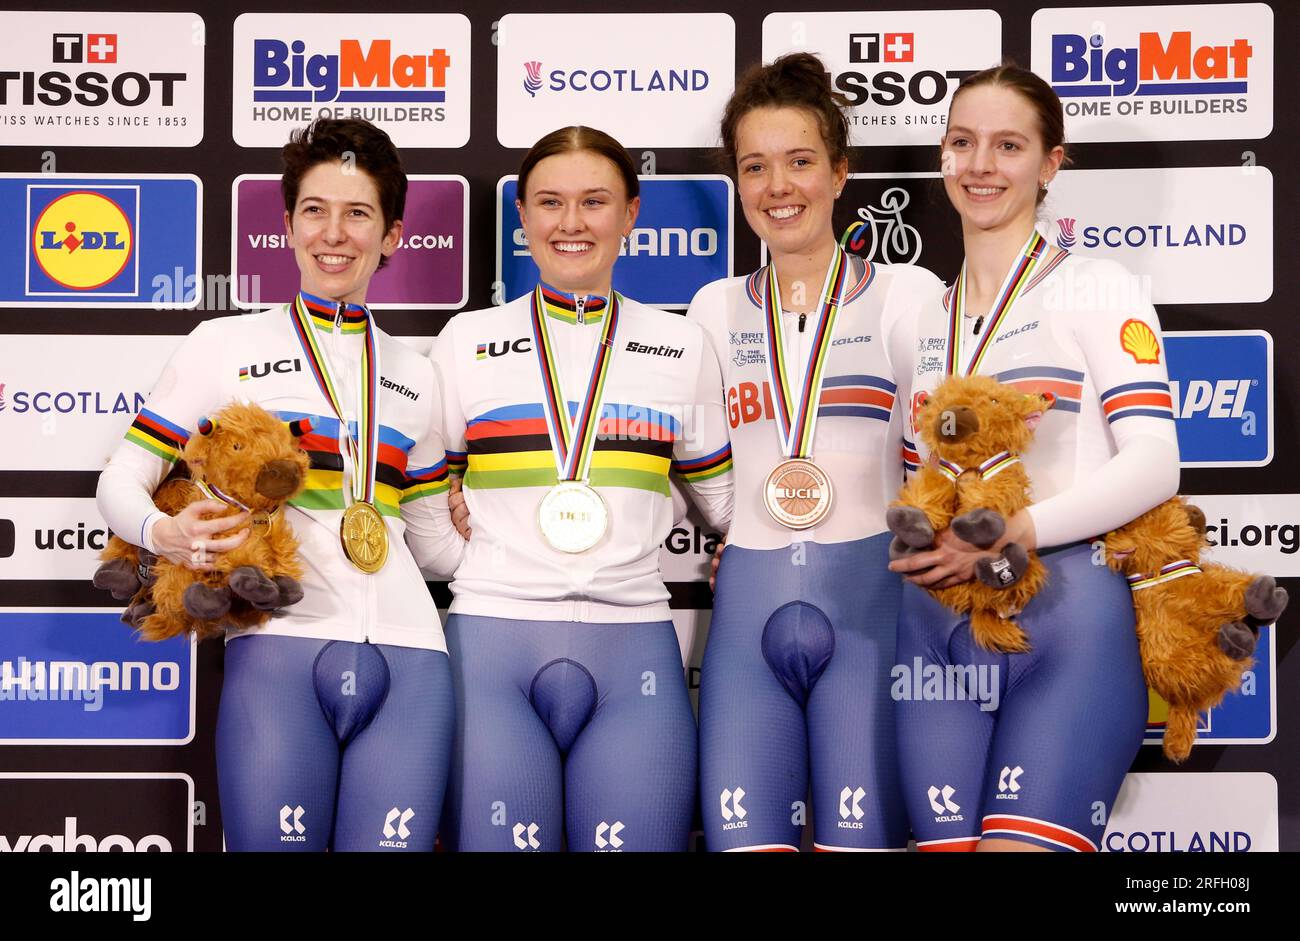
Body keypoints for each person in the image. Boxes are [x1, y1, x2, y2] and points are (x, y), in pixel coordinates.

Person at [96, 118, 465, 852]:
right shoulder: (224, 344)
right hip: (278, 647)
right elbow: (122, 478)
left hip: (412, 653)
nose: (335, 233)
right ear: (289, 225)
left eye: (358, 213)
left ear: (392, 235)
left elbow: (434, 550)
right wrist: (163, 531)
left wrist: (509, 530)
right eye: (315, 210)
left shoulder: (418, 374)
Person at [889, 64, 1180, 852]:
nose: (981, 165)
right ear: (943, 156)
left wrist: (1018, 527)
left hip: (1065, 621)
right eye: (963, 142)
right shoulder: (919, 318)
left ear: (1051, 162)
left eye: (1008, 145)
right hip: (935, 639)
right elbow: (909, 482)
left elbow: (1156, 461)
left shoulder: (1095, 286)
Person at [430, 126, 733, 852]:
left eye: (594, 202)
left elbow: (725, 504)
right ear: (523, 218)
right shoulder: (464, 341)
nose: (571, 223)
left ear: (630, 214)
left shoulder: (681, 345)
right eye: (550, 203)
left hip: (635, 651)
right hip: (491, 642)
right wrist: (450, 541)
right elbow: (419, 492)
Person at [688, 53, 944, 852]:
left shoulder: (909, 291)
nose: (777, 187)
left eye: (800, 162)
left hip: (871, 596)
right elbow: (691, 463)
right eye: (754, 166)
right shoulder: (713, 305)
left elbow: (943, 449)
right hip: (747, 602)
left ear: (841, 172)